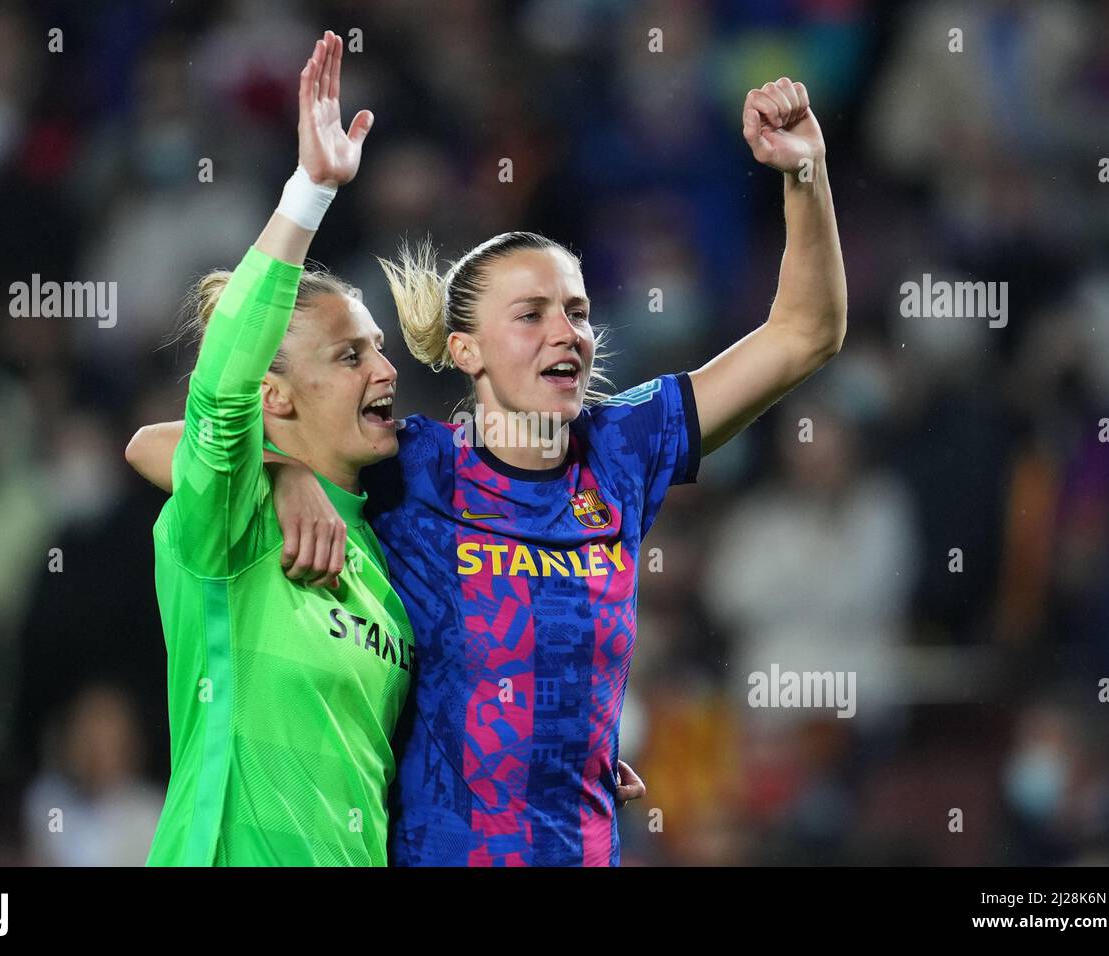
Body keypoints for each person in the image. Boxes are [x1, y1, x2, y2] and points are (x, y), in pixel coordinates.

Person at [130, 75, 845, 865]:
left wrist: (804, 172)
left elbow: (804, 334)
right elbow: (166, 441)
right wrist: (277, 471)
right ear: (464, 350)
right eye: (531, 314)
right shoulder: (413, 468)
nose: (564, 332)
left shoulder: (623, 451)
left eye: (576, 311)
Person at [145, 31, 415, 866]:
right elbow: (216, 395)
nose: (385, 368)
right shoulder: (229, 522)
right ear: (278, 395)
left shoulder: (387, 555)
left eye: (376, 346)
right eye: (350, 355)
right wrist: (310, 192)